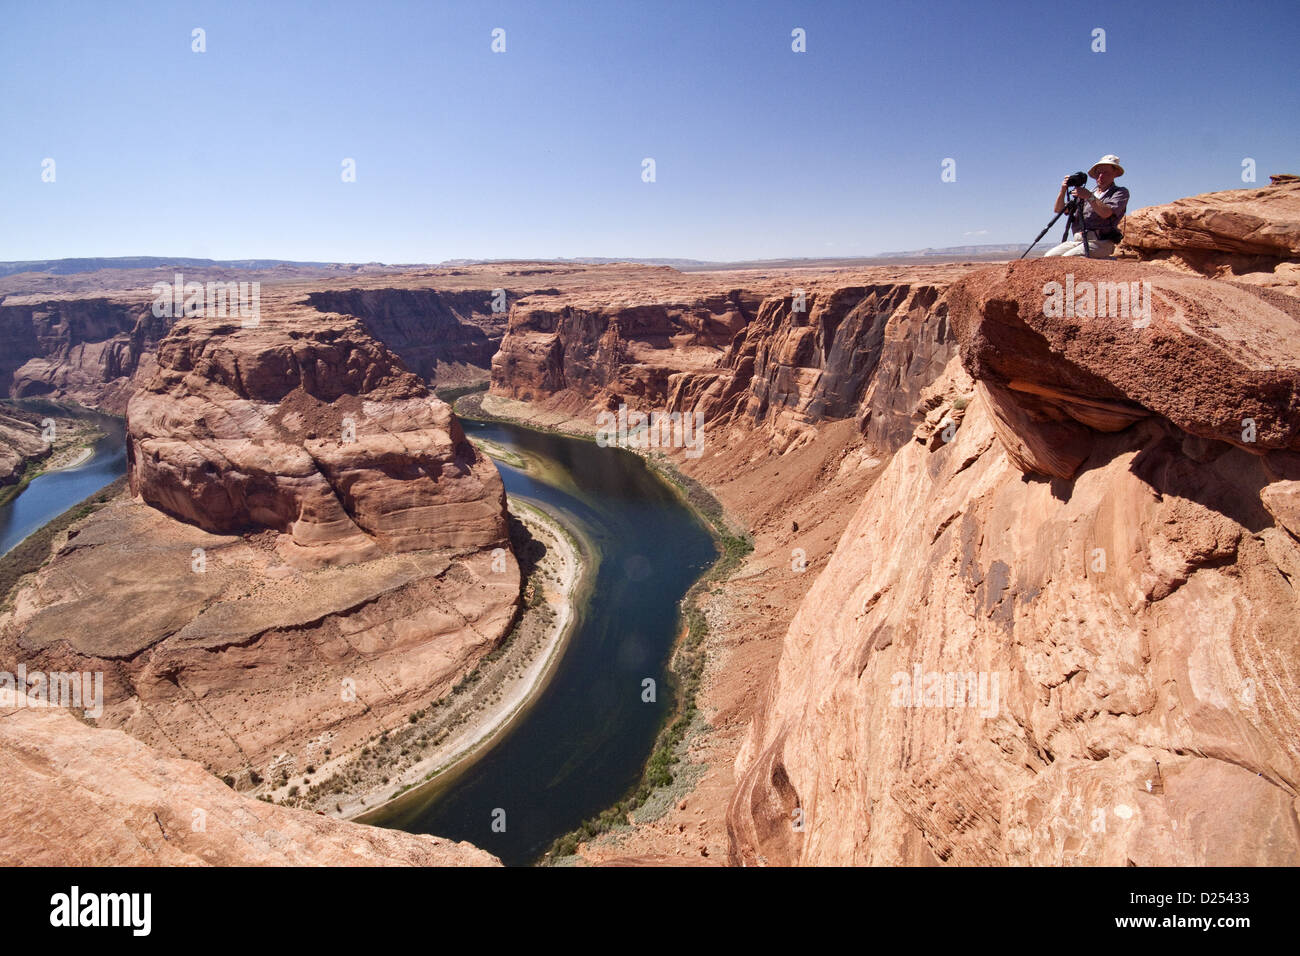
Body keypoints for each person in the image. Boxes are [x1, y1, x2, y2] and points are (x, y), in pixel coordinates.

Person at [1043, 155, 1129, 258]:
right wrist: (1063, 190)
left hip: (1101, 242)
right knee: (1049, 257)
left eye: (1105, 172)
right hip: (1079, 241)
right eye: (1098, 173)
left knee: (1069, 259)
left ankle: (1100, 265)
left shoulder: (1120, 192)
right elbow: (1058, 209)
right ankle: (1070, 274)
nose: (1100, 176)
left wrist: (1089, 196)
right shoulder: (1085, 194)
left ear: (1114, 174)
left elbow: (1106, 213)